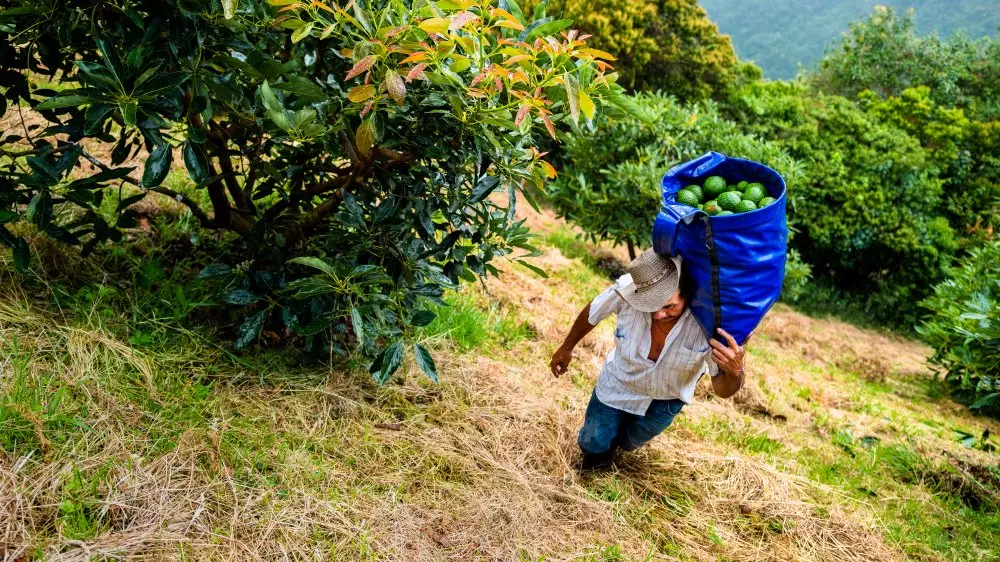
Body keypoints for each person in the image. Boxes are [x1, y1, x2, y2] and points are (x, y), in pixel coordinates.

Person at [550, 248, 747, 470]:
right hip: (619, 383)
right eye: (651, 305)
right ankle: (598, 458)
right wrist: (567, 347)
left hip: (665, 398)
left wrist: (735, 370)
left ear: (688, 293)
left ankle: (615, 444)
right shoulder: (629, 289)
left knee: (629, 441)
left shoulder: (709, 325)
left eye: (668, 306)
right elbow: (594, 310)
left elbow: (722, 390)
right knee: (593, 442)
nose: (658, 314)